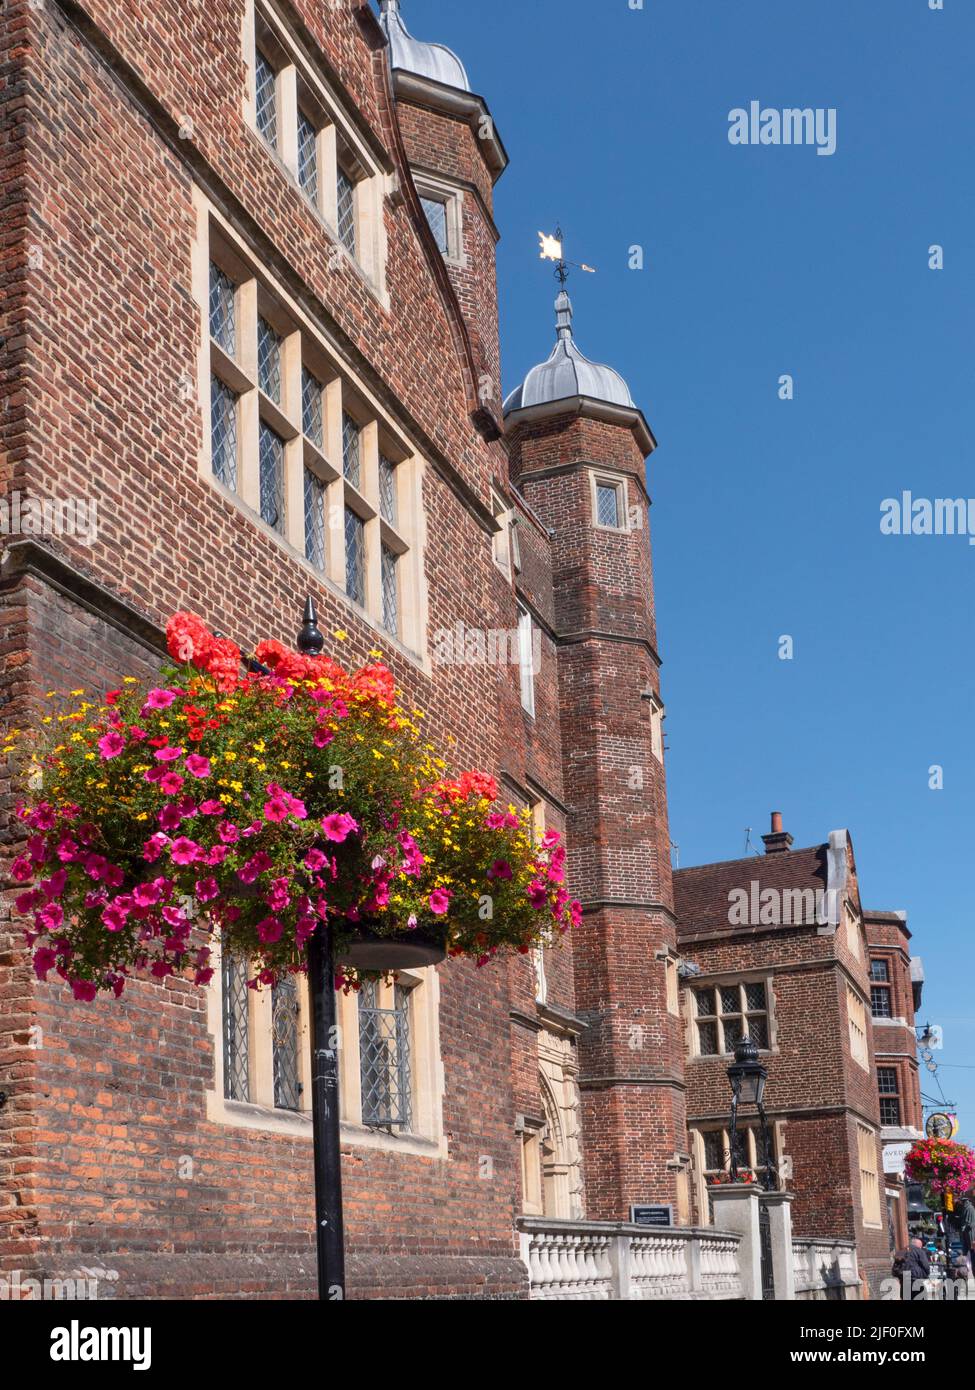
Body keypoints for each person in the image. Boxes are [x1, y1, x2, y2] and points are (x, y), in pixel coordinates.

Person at [956, 1194, 975, 1272]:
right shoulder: (965, 1209)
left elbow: (972, 1222)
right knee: (965, 1248)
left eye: (964, 1201)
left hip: (969, 1230)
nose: (963, 1203)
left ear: (967, 1201)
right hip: (965, 1230)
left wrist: (966, 1226)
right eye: (962, 1201)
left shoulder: (970, 1208)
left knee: (971, 1247)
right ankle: (968, 1264)